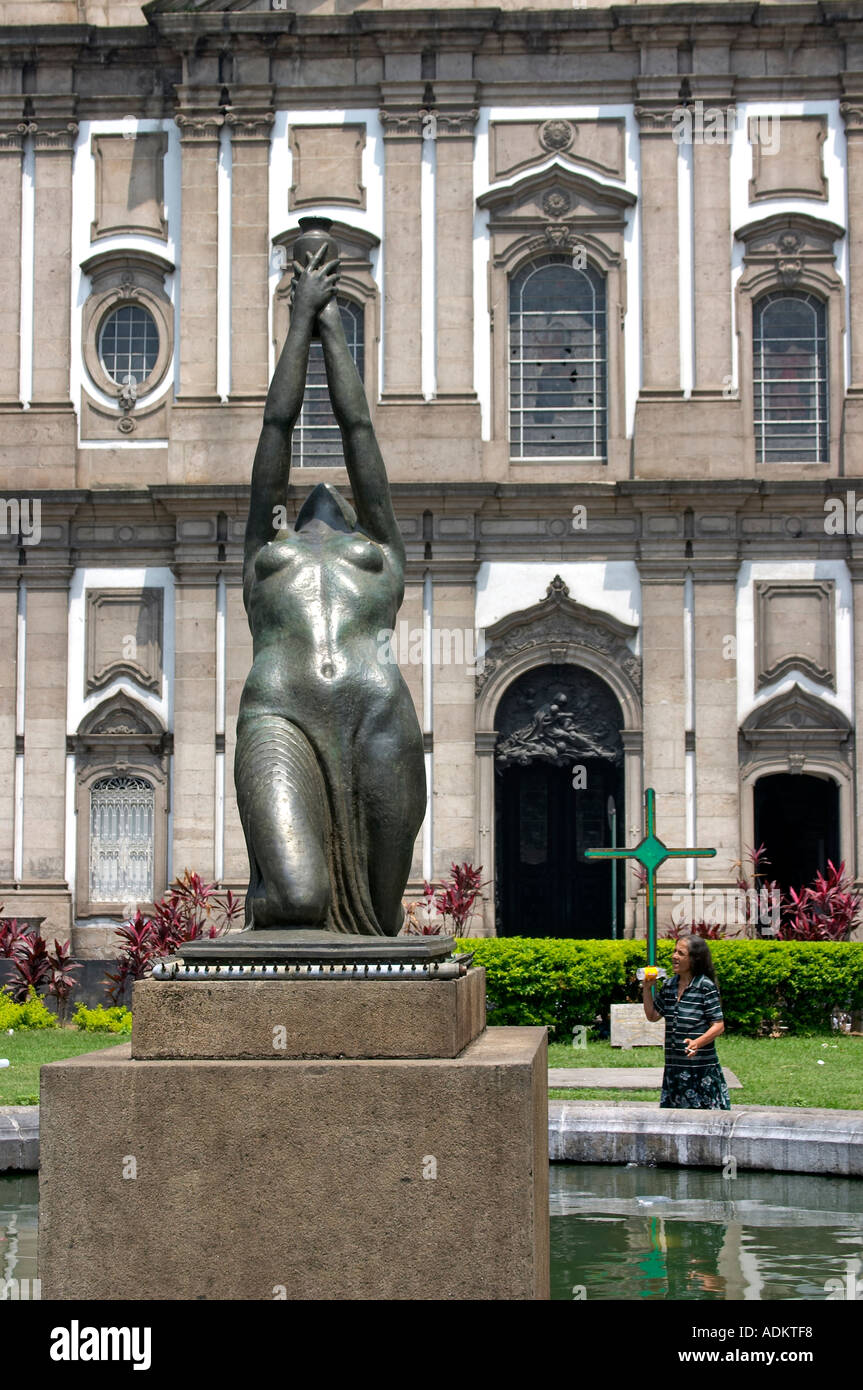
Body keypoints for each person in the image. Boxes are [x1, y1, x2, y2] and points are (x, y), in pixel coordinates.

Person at [235, 245, 426, 935]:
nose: (326, 486)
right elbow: (275, 428)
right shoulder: (267, 551)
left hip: (375, 716)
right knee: (296, 899)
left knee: (377, 916)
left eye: (343, 490)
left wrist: (334, 329)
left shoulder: (377, 550)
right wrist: (299, 323)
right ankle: (262, 907)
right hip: (279, 713)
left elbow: (358, 429)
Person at [642, 934, 730, 1109]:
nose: (674, 956)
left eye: (681, 953)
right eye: (674, 951)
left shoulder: (705, 986)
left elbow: (719, 1025)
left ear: (694, 959)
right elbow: (652, 1016)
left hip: (699, 1070)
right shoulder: (670, 985)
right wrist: (646, 989)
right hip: (674, 1069)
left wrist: (697, 1043)